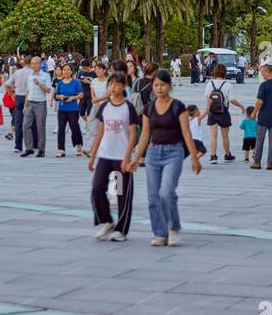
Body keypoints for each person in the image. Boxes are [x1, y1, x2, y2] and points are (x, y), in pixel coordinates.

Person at [129, 69, 201, 245]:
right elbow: (145, 134)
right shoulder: (149, 108)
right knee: (153, 196)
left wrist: (194, 157)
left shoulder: (178, 107)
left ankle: (173, 227)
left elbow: (186, 133)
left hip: (174, 153)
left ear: (169, 86)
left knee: (166, 192)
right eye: (156, 85)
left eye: (162, 85)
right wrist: (136, 158)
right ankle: (160, 233)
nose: (159, 88)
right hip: (153, 153)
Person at [88, 72, 138, 241]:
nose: (113, 87)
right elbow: (100, 132)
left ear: (124, 86)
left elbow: (132, 134)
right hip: (105, 156)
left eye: (117, 84)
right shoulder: (104, 107)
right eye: (111, 84)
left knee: (122, 193)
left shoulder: (128, 107)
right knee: (97, 188)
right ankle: (106, 221)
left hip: (121, 157)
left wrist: (127, 157)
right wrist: (92, 156)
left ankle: (121, 230)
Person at [250, 64, 272, 171]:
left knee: (260, 140)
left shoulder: (264, 86)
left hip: (264, 117)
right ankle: (270, 163)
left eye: (262, 73)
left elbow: (260, 102)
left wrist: (254, 113)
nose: (262, 75)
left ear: (268, 72)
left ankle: (257, 162)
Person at [202, 64, 239, 164]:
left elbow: (206, 97)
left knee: (213, 135)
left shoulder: (210, 84)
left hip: (212, 112)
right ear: (225, 73)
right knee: (225, 136)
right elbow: (231, 99)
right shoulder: (228, 84)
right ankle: (227, 155)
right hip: (223, 112)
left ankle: (213, 156)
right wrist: (241, 106)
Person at [20, 57, 50, 157]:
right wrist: (25, 105)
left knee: (40, 127)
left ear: (40, 64)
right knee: (25, 125)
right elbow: (28, 91)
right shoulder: (30, 75)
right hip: (29, 103)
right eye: (32, 64)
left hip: (40, 103)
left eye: (36, 64)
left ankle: (41, 149)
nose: (34, 66)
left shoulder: (45, 76)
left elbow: (48, 90)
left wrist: (39, 84)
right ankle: (29, 148)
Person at [52, 62, 84, 156]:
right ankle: (61, 149)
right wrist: (60, 96)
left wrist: (72, 98)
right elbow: (56, 95)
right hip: (62, 109)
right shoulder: (60, 83)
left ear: (71, 72)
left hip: (73, 109)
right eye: (64, 69)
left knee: (74, 127)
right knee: (61, 129)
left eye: (68, 70)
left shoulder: (76, 83)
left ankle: (78, 145)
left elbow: (81, 94)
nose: (66, 71)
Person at [9, 59, 32, 151]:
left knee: (18, 122)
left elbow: (7, 84)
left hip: (18, 97)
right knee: (31, 122)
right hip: (30, 98)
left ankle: (18, 146)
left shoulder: (17, 73)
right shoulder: (32, 72)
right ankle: (32, 144)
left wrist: (11, 94)